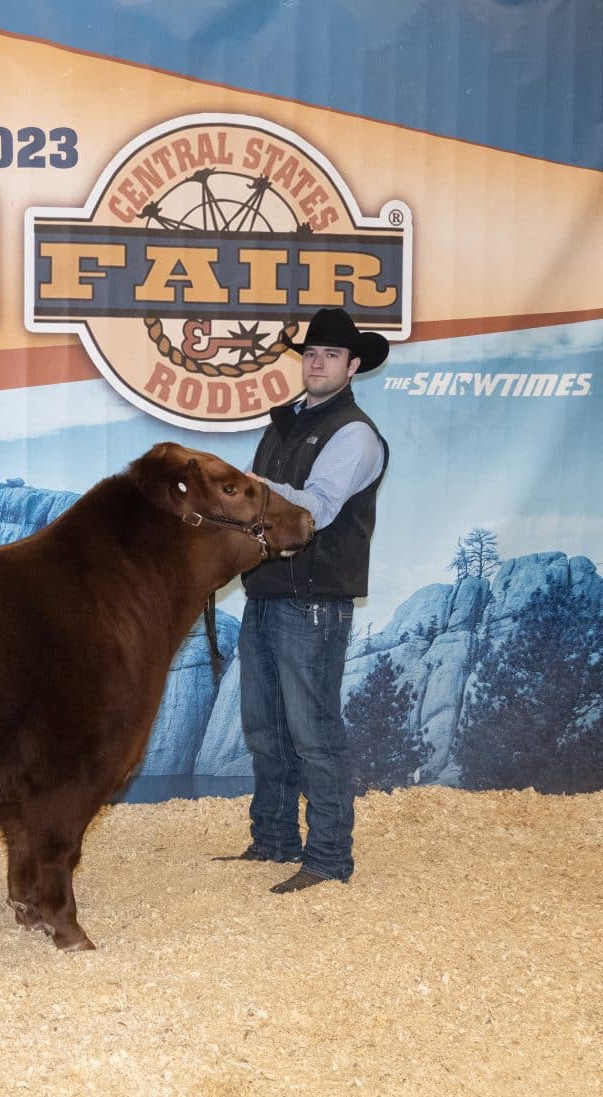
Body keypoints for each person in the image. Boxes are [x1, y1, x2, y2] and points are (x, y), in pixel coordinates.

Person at [227, 307, 390, 893]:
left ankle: (327, 856)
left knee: (313, 731)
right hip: (268, 590)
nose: (317, 362)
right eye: (310, 353)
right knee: (264, 727)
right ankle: (273, 838)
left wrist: (248, 489)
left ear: (352, 366)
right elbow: (252, 511)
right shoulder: (284, 425)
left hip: (314, 598)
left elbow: (314, 509)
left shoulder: (354, 434)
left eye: (330, 355)